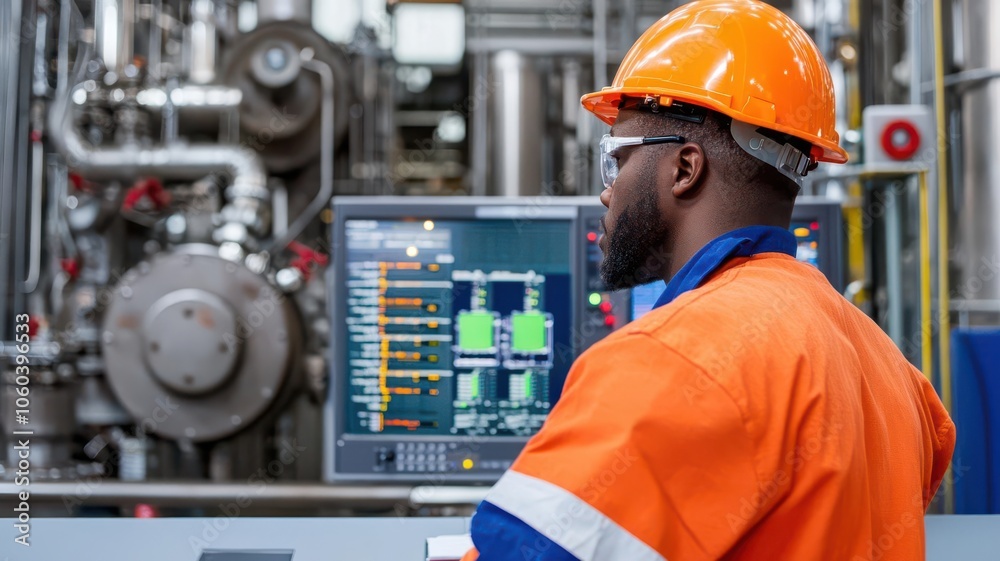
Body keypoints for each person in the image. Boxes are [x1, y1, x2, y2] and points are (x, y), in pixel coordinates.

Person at [461, 1, 956, 560]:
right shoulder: (892, 369)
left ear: (684, 168)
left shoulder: (670, 357)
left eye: (617, 160)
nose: (608, 190)